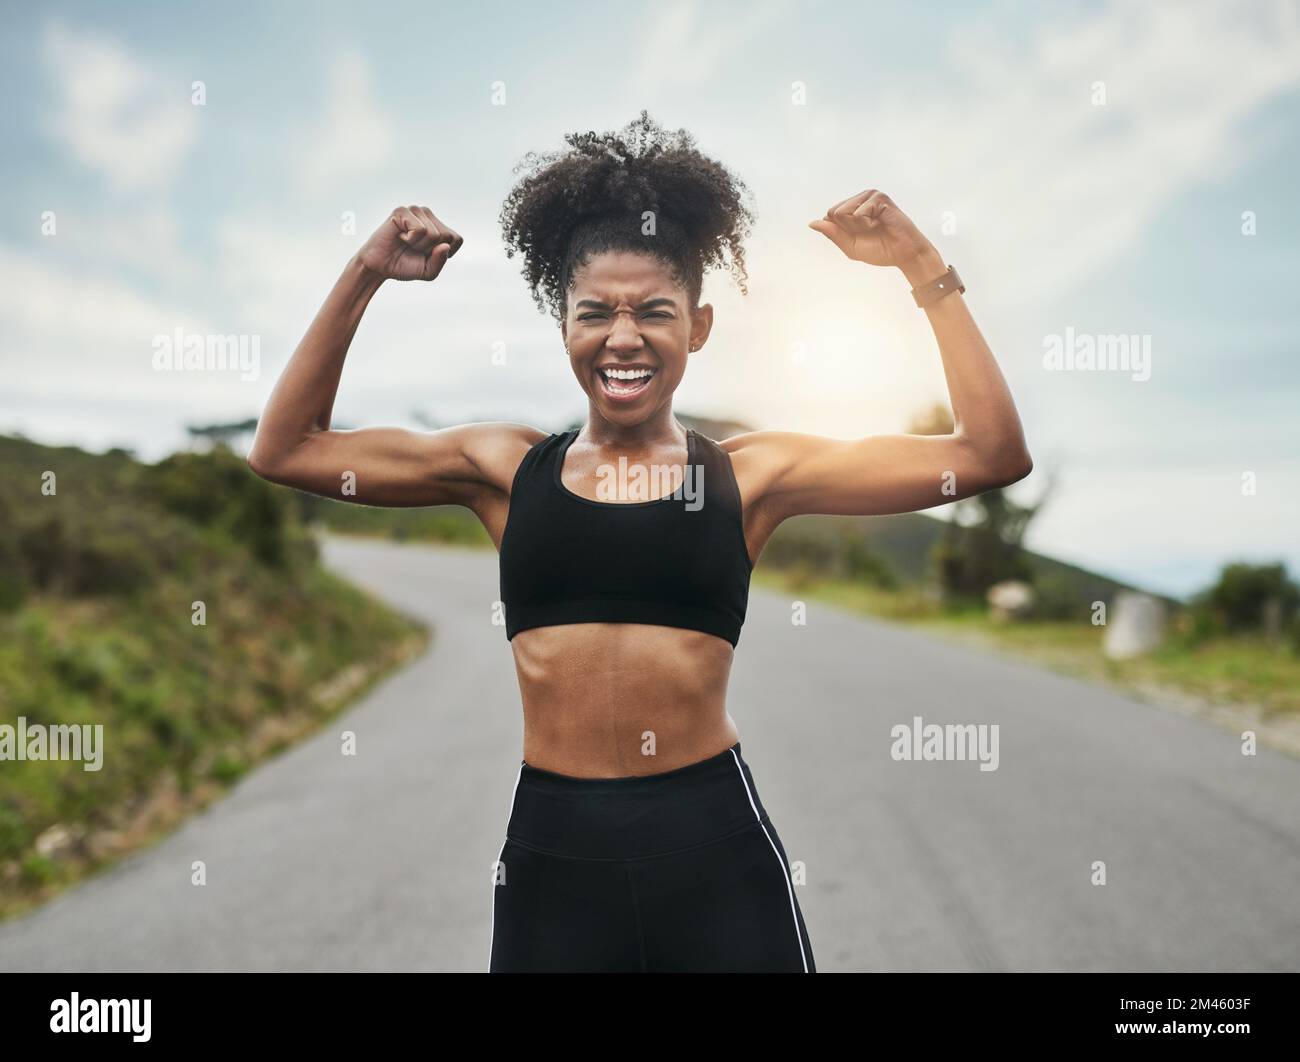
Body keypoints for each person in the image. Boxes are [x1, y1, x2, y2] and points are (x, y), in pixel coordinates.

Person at [247, 111, 1032, 972]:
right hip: (553, 858)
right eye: (596, 314)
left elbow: (989, 455)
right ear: (564, 327)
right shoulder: (504, 470)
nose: (623, 337)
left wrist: (923, 268)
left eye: (653, 312)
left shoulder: (752, 476)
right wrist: (366, 273)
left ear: (696, 326)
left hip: (713, 853)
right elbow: (289, 449)